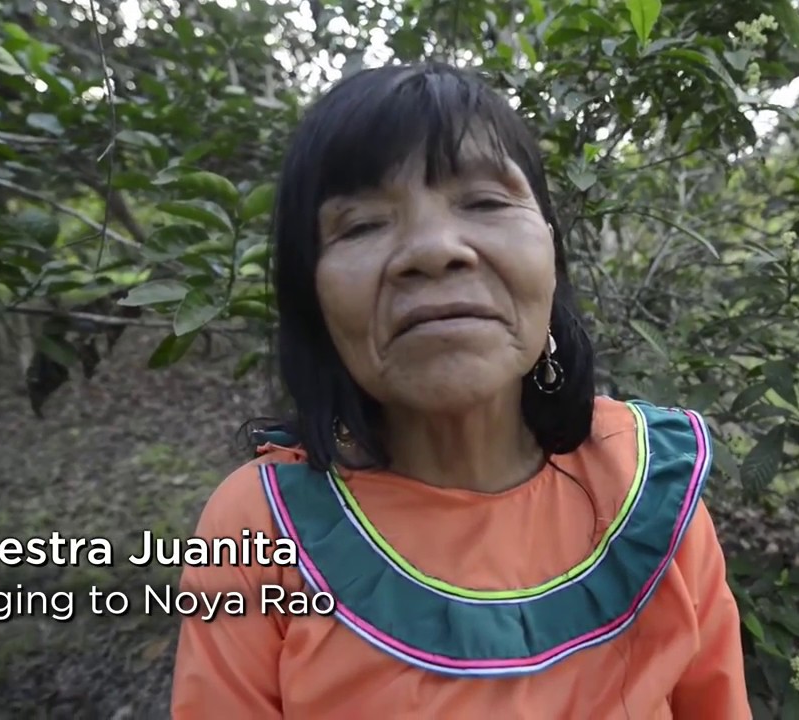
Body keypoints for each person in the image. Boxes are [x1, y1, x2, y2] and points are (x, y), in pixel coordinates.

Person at [170, 61, 750, 719]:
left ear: (551, 260)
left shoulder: (646, 491)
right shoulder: (258, 529)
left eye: (485, 202)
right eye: (360, 225)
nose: (435, 249)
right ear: (315, 301)